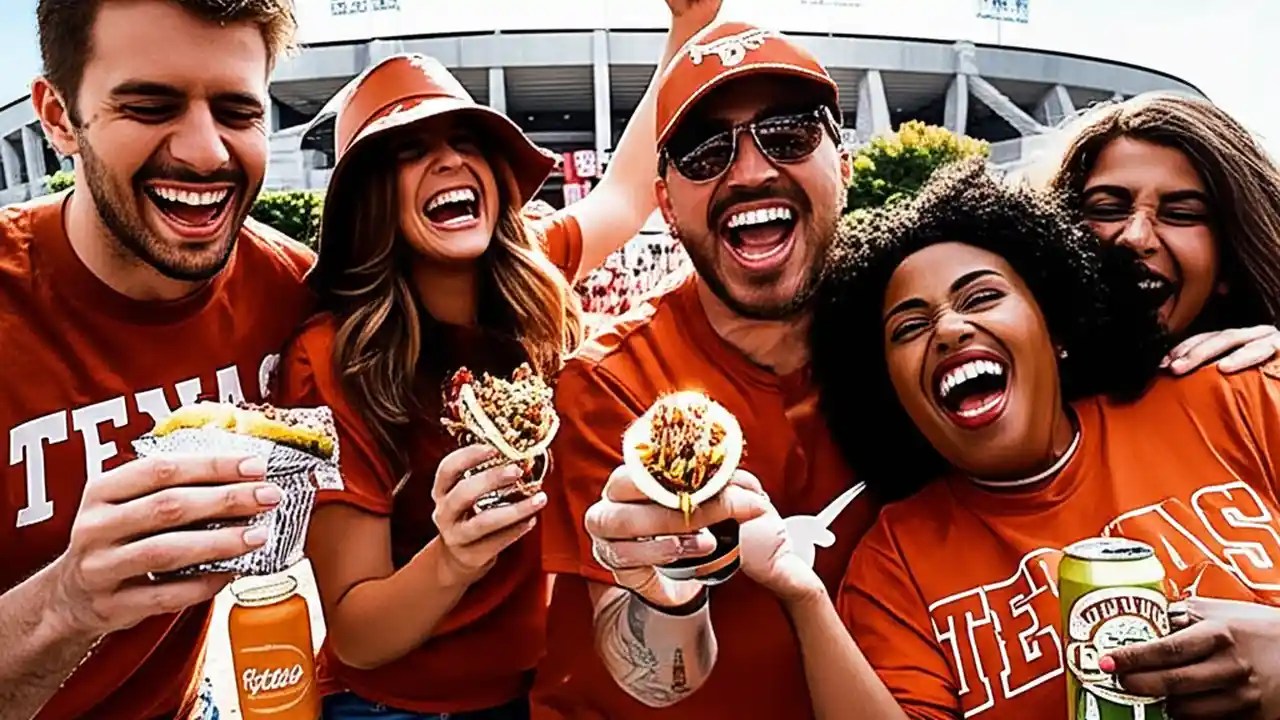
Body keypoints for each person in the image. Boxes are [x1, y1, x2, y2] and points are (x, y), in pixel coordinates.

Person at [274, 2, 722, 717]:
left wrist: (690, 23)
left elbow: (629, 192)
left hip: (532, 685)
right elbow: (356, 631)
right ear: (369, 202)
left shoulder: (533, 269)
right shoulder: (334, 359)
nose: (449, 159)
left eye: (464, 139)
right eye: (408, 151)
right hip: (397, 704)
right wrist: (454, 557)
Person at [797, 158, 1280, 719]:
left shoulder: (1235, 393)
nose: (949, 329)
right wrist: (800, 596)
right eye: (909, 328)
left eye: (980, 298)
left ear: (1055, 328)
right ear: (891, 390)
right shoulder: (893, 565)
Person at [533, 20, 877, 719]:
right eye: (703, 151)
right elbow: (655, 676)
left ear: (843, 167)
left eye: (788, 133)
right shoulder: (612, 383)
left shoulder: (904, 343)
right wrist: (668, 584)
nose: (749, 171)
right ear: (665, 202)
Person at [0, 1, 315, 718]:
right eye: (149, 106)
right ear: (56, 116)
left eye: (238, 112)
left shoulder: (293, 291)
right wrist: (67, 601)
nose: (206, 153)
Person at [1047, 91, 1280, 376]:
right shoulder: (1011, 392)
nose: (1135, 237)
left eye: (1182, 214)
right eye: (1107, 209)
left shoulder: (1262, 389)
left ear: (1230, 263)